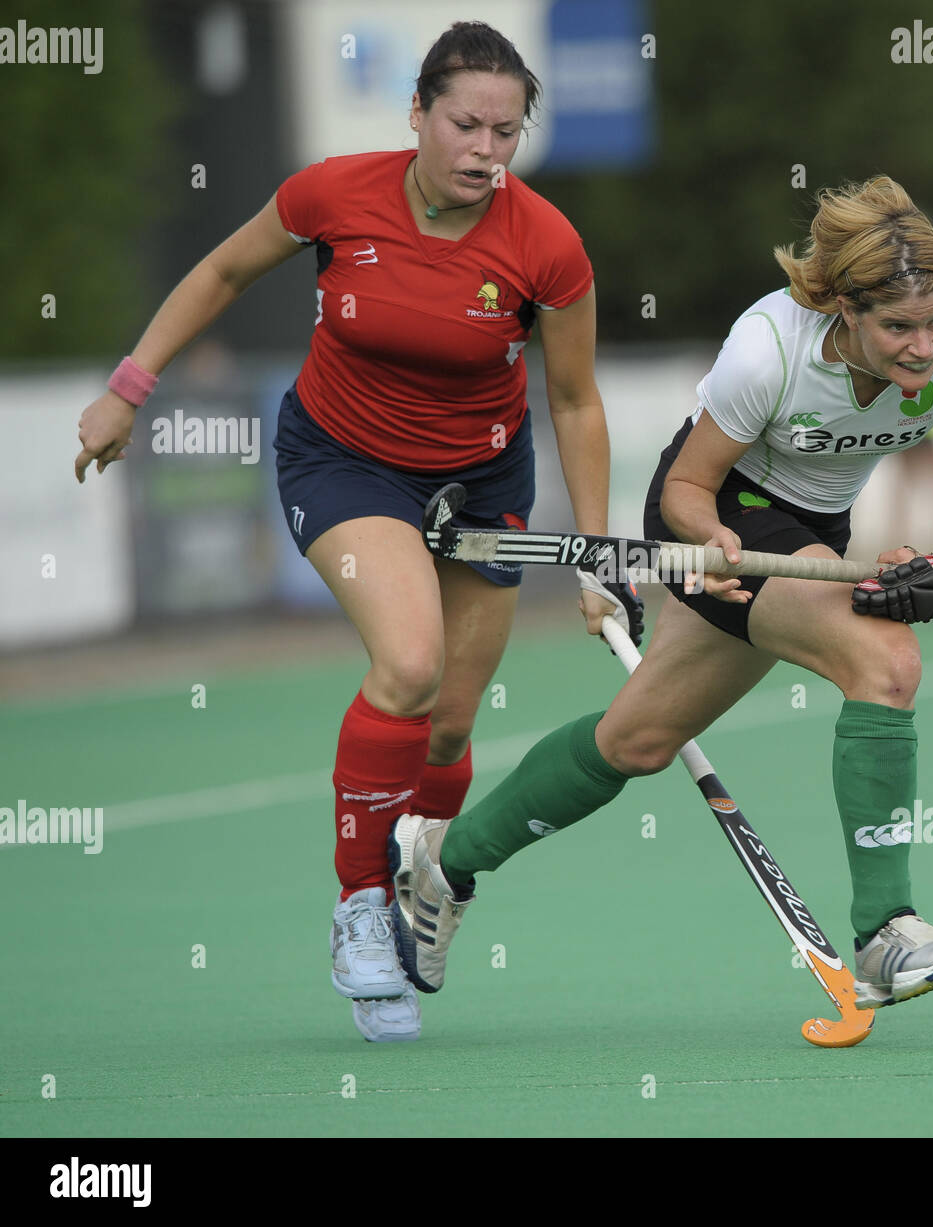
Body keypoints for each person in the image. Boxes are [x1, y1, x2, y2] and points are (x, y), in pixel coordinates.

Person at [72, 22, 641, 1043]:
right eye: (464, 123)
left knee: (453, 725)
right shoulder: (332, 193)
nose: (483, 149)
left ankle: (420, 880)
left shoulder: (546, 244)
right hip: (344, 460)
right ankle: (359, 907)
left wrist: (595, 553)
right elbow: (220, 274)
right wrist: (129, 386)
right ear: (417, 114)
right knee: (410, 665)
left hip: (480, 481)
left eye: (505, 132)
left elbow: (577, 400)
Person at [387, 175, 933, 1026]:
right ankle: (886, 933)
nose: (924, 347)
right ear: (845, 309)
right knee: (886, 660)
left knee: (636, 739)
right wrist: (709, 545)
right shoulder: (769, 347)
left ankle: (442, 859)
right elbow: (688, 486)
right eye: (898, 327)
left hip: (811, 526)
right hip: (716, 509)